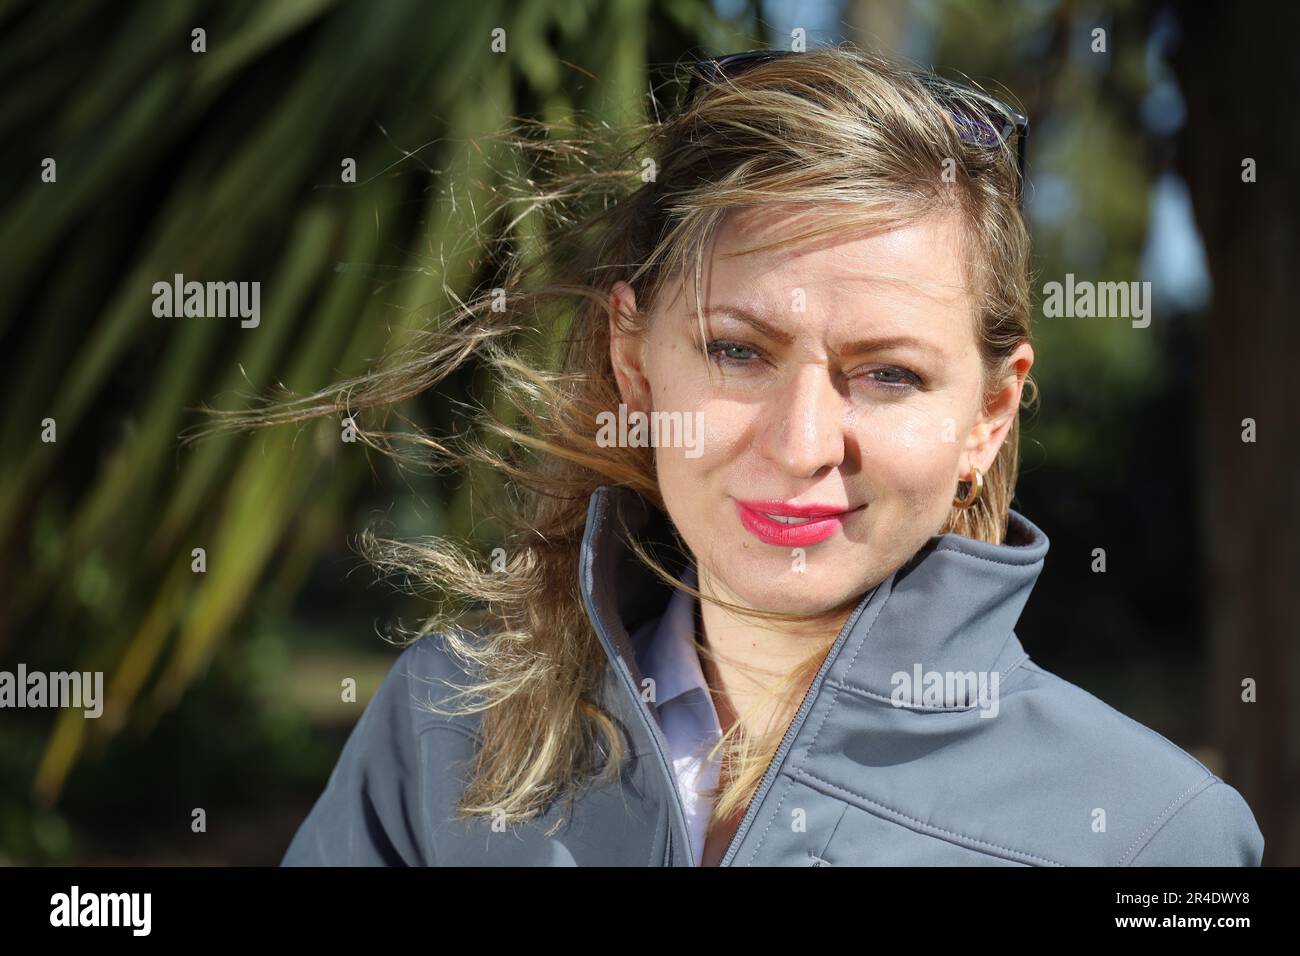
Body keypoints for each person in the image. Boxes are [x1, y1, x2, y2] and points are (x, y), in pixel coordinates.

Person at [263, 45, 1263, 865]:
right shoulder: (445, 728)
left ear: (989, 414)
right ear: (634, 361)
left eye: (889, 374)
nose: (800, 444)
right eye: (737, 351)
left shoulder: (1152, 837)